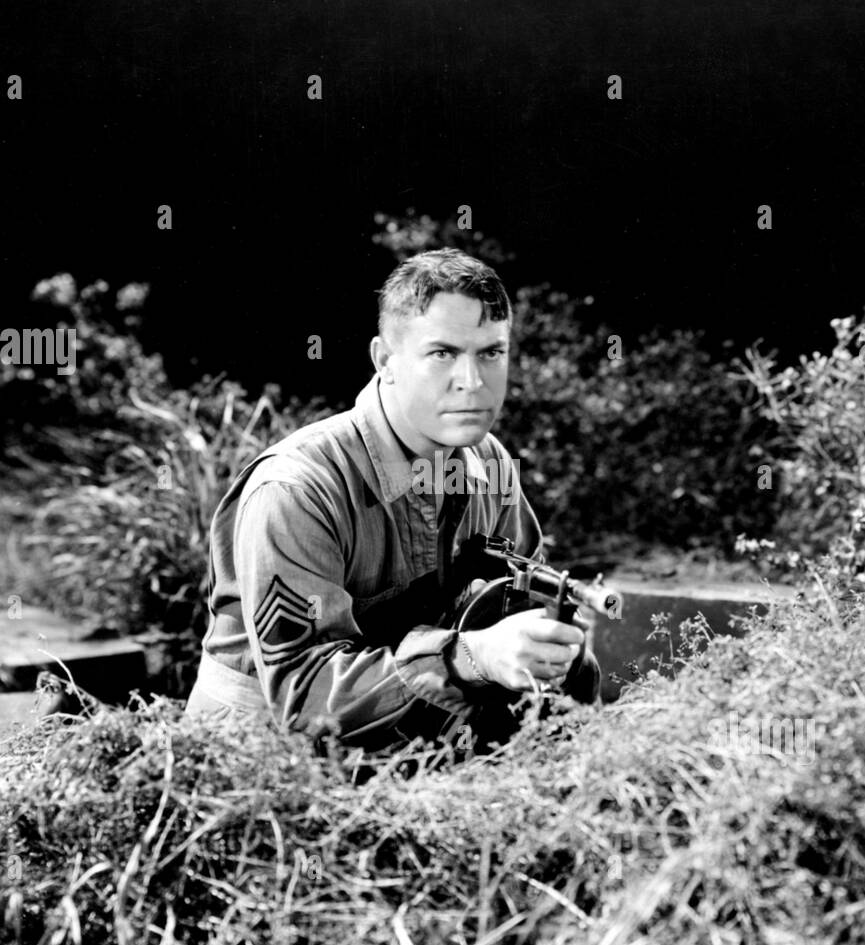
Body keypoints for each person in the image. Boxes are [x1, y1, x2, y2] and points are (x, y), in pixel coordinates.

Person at [184, 248, 600, 752]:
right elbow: (301, 695)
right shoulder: (298, 489)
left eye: (491, 352)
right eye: (443, 353)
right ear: (386, 361)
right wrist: (468, 657)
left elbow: (517, 611)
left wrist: (549, 650)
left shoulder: (488, 463)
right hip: (253, 777)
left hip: (404, 759)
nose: (472, 381)